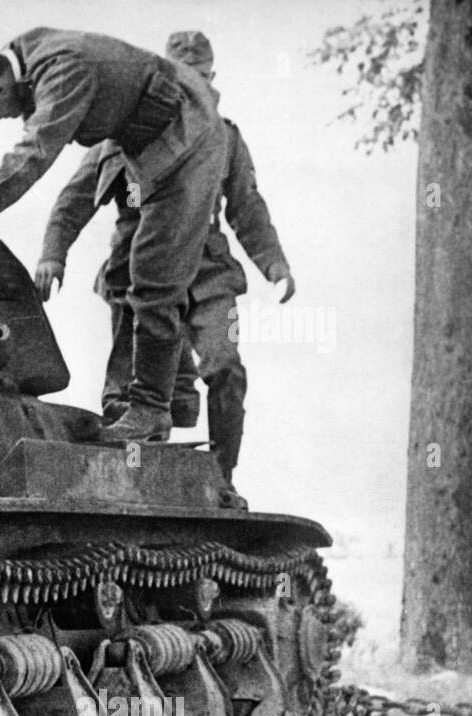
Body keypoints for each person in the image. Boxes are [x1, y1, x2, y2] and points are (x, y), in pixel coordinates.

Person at [0, 29, 228, 443]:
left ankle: (153, 409)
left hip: (189, 135)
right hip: (143, 142)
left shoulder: (64, 70)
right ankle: (160, 398)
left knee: (154, 276)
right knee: (129, 277)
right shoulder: (4, 65)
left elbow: (33, 154)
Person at [37, 31, 294, 506]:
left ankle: (221, 476)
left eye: (202, 79)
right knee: (126, 391)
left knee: (224, 366)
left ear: (212, 81)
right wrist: (54, 252)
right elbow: (71, 202)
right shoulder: (121, 137)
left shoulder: (224, 139)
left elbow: (247, 207)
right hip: (140, 274)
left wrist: (273, 262)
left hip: (207, 272)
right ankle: (125, 486)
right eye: (184, 80)